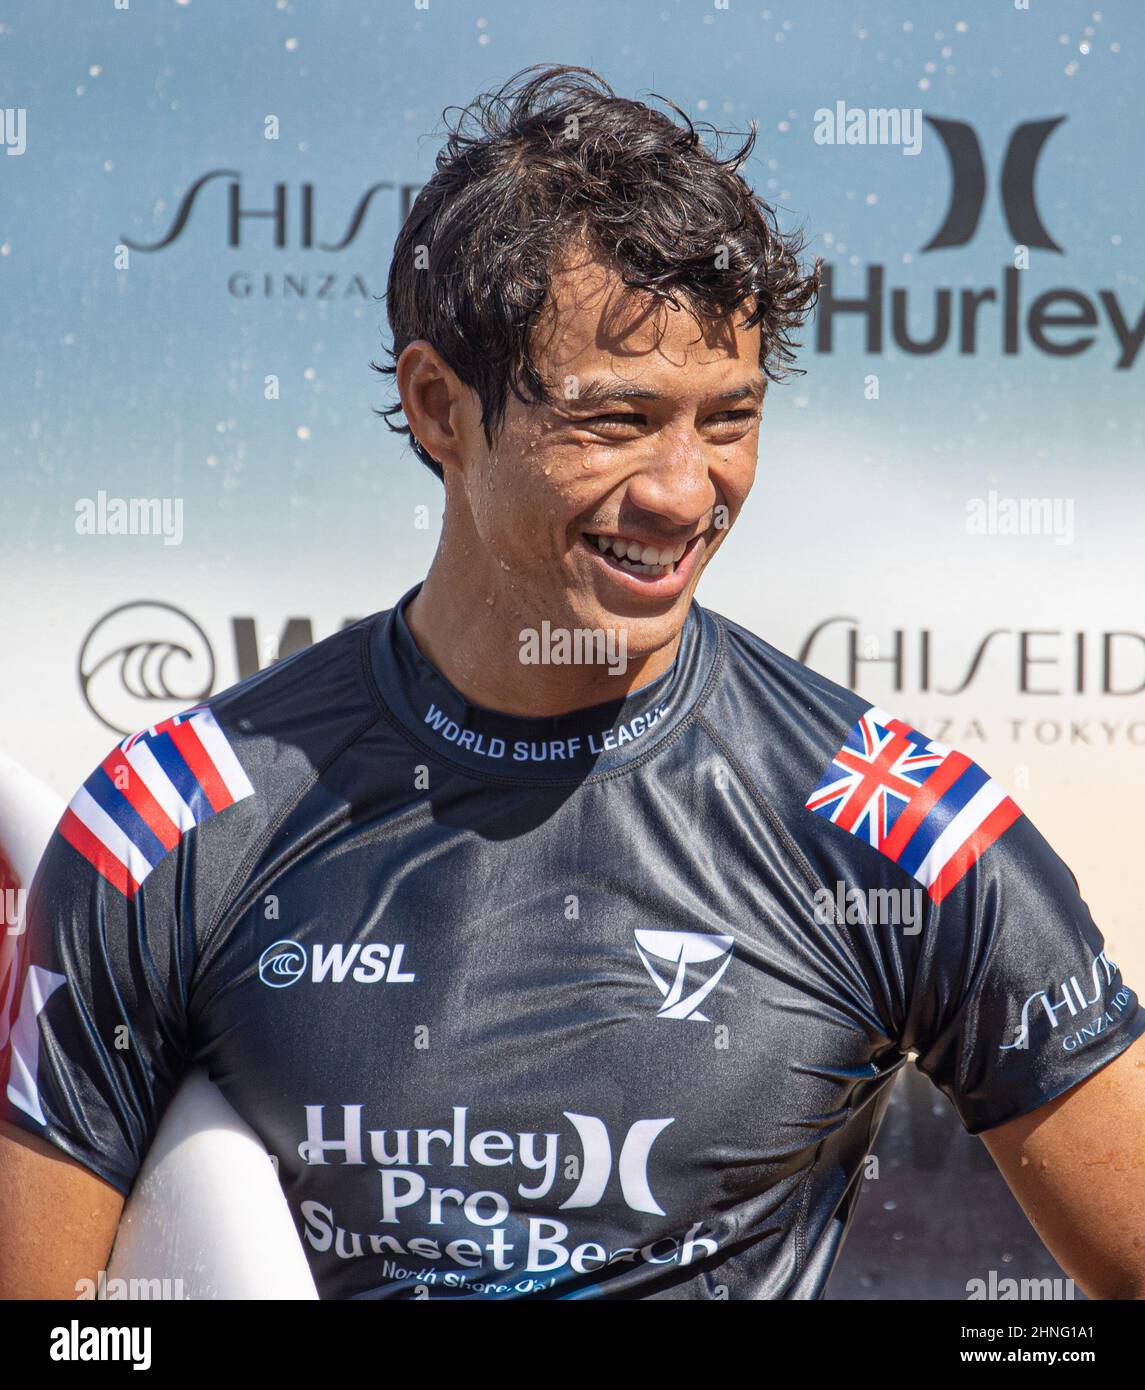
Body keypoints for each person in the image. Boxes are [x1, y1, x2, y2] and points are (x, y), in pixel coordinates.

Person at [3, 64, 1143, 1302]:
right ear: (439, 406)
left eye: (727, 417)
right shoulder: (173, 835)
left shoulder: (893, 835)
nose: (680, 491)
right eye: (613, 421)